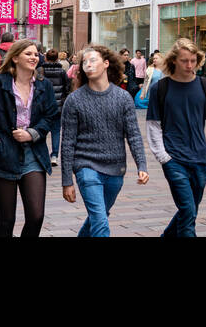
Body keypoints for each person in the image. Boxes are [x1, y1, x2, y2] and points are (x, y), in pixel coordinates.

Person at [60, 45, 148, 237]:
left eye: (93, 60)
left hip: (116, 170)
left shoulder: (123, 98)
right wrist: (67, 181)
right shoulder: (74, 100)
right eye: (84, 62)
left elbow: (133, 134)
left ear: (106, 64)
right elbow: (67, 143)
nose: (88, 65)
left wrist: (142, 165)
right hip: (87, 167)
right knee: (100, 222)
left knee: (98, 217)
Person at [0, 39, 58, 237]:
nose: (34, 57)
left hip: (33, 155)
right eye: (28, 54)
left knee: (36, 216)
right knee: (6, 220)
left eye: (36, 54)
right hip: (4, 155)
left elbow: (51, 115)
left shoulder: (43, 85)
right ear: (15, 58)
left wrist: (32, 133)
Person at [145, 38, 206, 237]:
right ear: (174, 60)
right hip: (173, 158)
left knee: (189, 211)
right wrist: (163, 157)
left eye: (193, 60)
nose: (189, 65)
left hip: (200, 158)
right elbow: (153, 125)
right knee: (188, 210)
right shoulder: (161, 88)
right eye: (184, 61)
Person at [41, 49, 70, 166]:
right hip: (58, 106)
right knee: (56, 131)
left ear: (46, 58)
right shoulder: (61, 71)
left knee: (42, 129)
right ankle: (54, 155)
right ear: (57, 58)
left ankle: (42, 154)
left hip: (43, 105)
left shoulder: (41, 71)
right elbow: (67, 87)